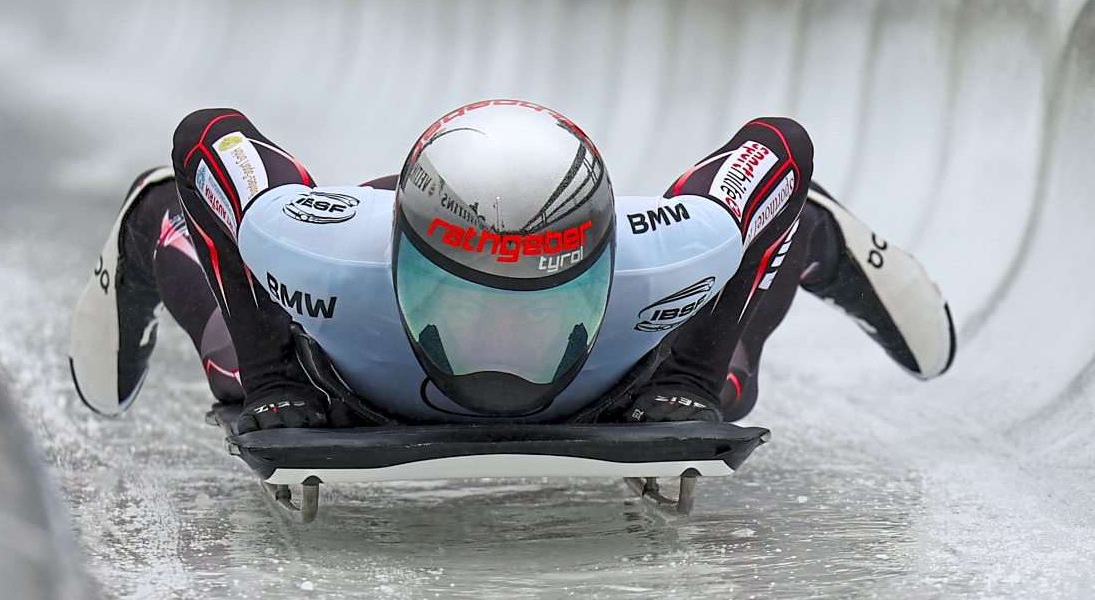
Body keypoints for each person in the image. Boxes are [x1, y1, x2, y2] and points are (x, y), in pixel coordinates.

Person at [69, 99, 956, 432]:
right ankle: (157, 219)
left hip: (623, 295)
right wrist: (269, 373)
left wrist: (687, 368)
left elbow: (777, 152)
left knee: (719, 378)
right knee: (235, 363)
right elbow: (209, 141)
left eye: (536, 305)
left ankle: (813, 236)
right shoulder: (321, 259)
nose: (502, 339)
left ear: (599, 271)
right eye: (469, 303)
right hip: (359, 296)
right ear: (402, 268)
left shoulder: (660, 264)